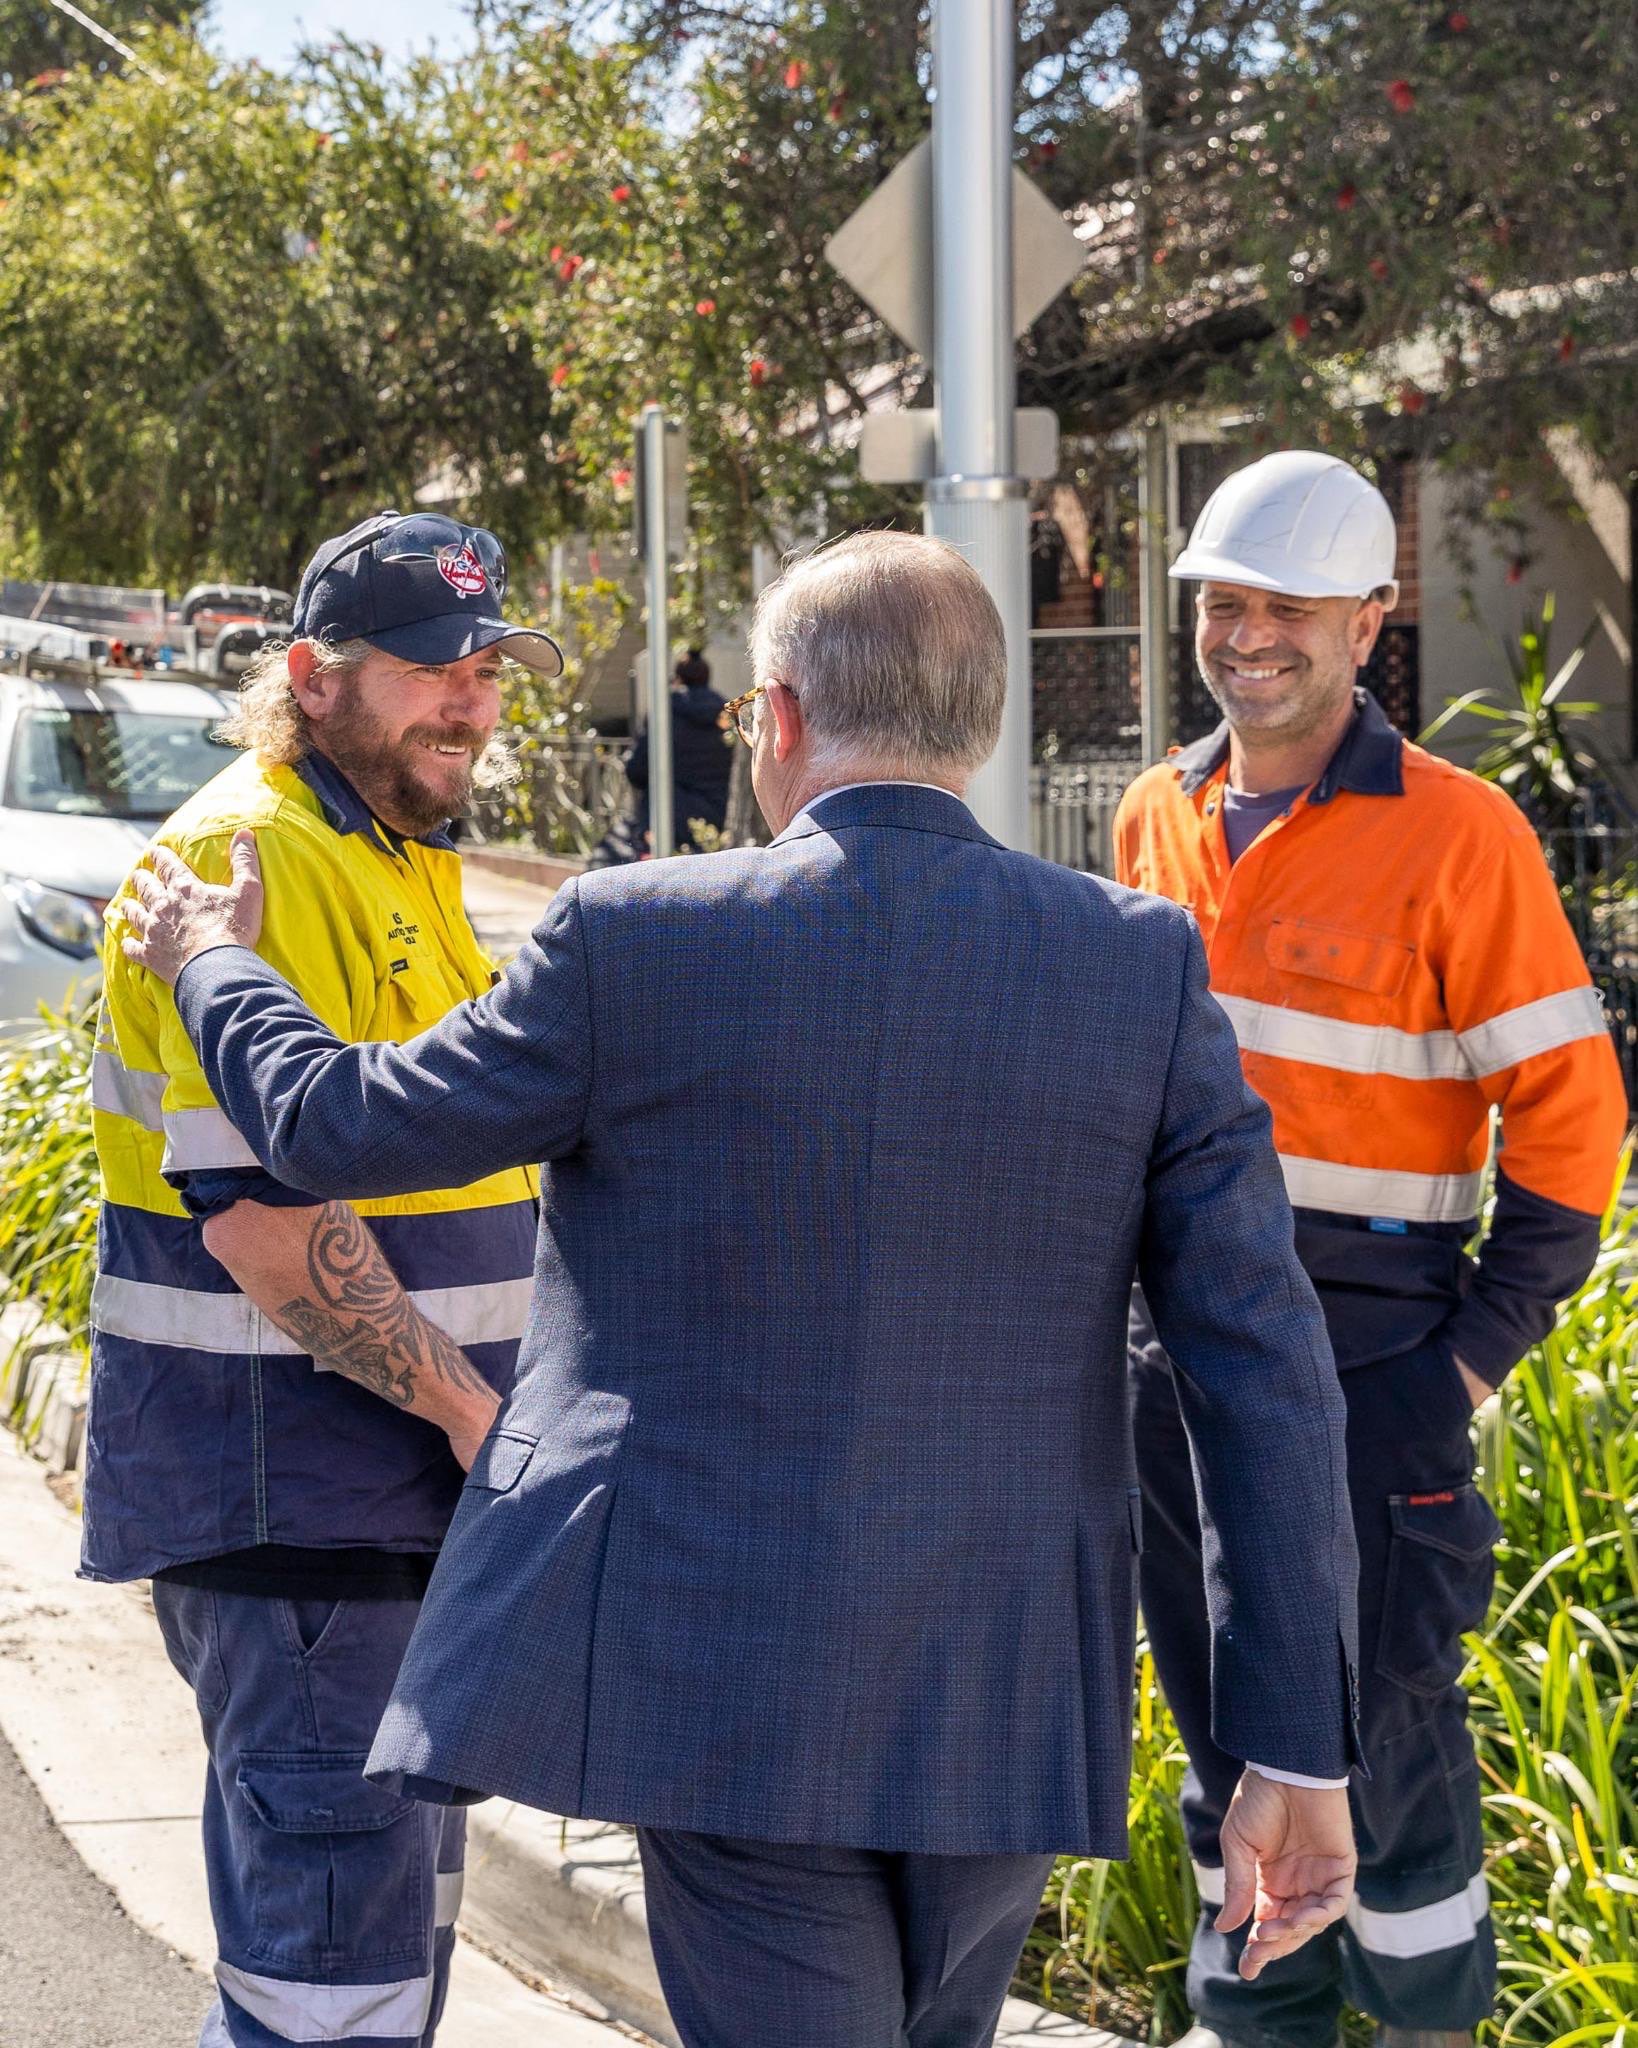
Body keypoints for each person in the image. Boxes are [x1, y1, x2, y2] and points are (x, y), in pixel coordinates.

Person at [124, 530, 1363, 2048]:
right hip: (1004, 1678)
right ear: (977, 726)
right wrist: (1295, 1748)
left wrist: (206, 959)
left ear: (774, 717)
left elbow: (338, 1124)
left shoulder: (635, 937)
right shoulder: (1139, 967)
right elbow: (1262, 1369)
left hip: (718, 1669)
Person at [1113, 451, 1629, 2048]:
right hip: (1176, 1359)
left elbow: (1567, 1122)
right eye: (1223, 602)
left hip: (1370, 1360)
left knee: (1381, 1742)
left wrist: (1463, 1362)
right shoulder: (1155, 813)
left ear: (1367, 622)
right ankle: (1250, 2016)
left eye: (1286, 607)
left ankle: (1419, 2026)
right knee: (1219, 1728)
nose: (1246, 633)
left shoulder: (1458, 837)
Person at [82, 510, 563, 2048]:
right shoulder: (251, 862)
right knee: (328, 2002)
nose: (471, 703)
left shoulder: (386, 846)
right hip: (308, 1511)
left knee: (375, 1972)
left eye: (488, 669)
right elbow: (265, 1231)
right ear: (313, 674)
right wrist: (482, 1419)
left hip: (379, 1516)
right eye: (433, 673)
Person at [624, 645, 734, 852]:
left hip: (668, 821)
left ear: (678, 678)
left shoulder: (665, 712)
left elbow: (636, 770)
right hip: (718, 820)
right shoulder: (725, 714)